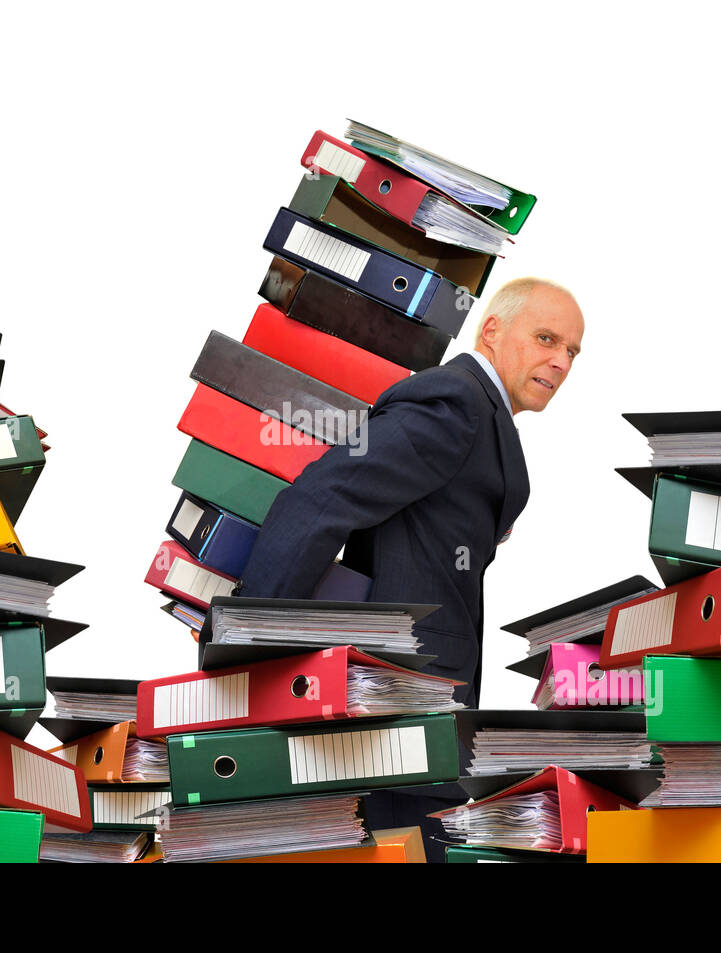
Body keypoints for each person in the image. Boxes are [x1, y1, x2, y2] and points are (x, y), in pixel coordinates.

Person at [236, 276, 585, 861]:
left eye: (572, 351)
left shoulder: (483, 414)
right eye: (547, 338)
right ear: (492, 330)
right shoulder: (456, 401)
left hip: (423, 711)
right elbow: (324, 498)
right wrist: (247, 640)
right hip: (394, 708)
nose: (561, 361)